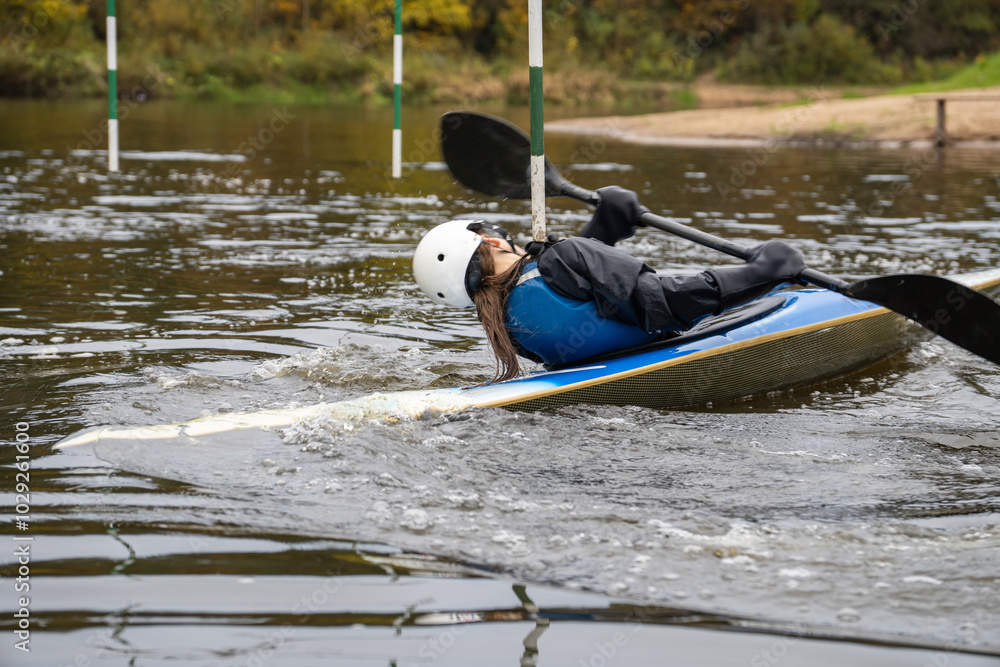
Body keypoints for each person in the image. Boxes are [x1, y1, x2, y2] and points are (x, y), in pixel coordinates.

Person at [412, 187, 806, 383]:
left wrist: (605, 227)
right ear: (493, 241)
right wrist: (764, 272)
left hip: (619, 367)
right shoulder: (564, 259)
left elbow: (571, 294)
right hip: (666, 344)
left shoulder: (506, 329)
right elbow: (667, 304)